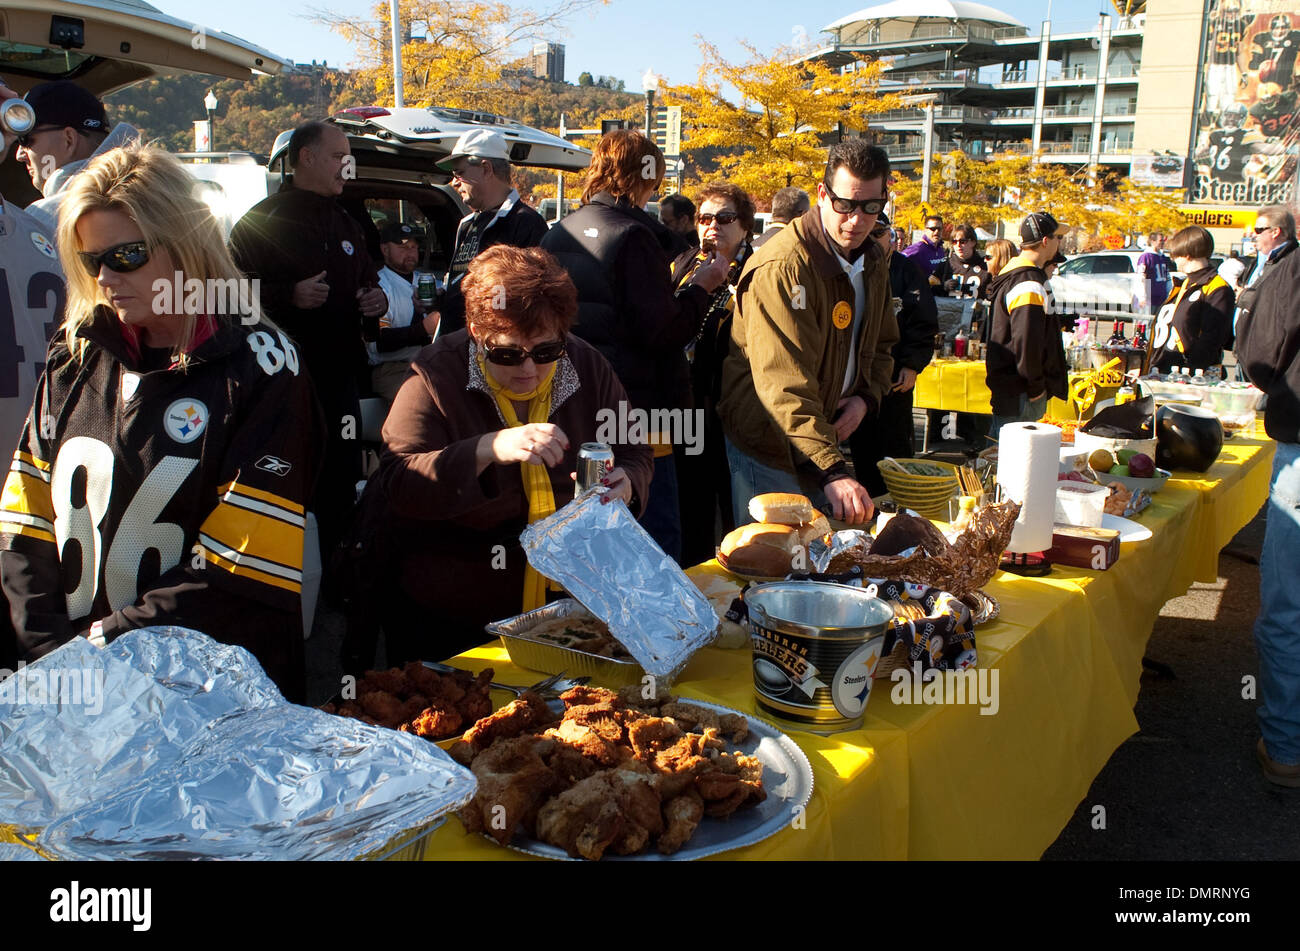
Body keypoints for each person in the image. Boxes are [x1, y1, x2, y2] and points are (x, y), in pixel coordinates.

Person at [0, 145, 324, 701]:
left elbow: (239, 563)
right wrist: (47, 651)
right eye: (89, 260)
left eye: (126, 256)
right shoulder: (74, 355)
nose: (104, 277)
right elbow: (23, 519)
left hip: (207, 695)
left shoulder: (264, 366)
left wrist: (98, 649)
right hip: (73, 690)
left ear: (185, 243)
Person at [363, 246, 653, 663]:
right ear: (478, 336)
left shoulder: (586, 364)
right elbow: (397, 483)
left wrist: (628, 483)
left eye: (545, 351)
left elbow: (635, 450)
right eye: (506, 354)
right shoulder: (436, 372)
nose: (528, 370)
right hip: (454, 608)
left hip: (568, 600)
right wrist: (488, 448)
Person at [541, 129, 727, 562]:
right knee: (653, 537)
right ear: (644, 178)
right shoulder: (634, 237)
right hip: (641, 412)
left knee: (595, 535)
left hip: (578, 404)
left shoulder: (559, 233)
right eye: (654, 178)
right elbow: (663, 331)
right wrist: (702, 287)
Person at [228, 120, 387, 564]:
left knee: (340, 473)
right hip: (279, 381)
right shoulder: (261, 221)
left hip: (340, 379)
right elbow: (225, 294)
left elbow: (367, 283)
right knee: (284, 472)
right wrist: (287, 295)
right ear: (307, 157)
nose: (346, 166)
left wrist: (372, 298)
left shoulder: (348, 221)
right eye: (339, 157)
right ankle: (278, 570)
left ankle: (336, 572)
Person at [718, 140, 899, 526]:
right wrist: (833, 469)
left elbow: (882, 346)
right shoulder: (782, 266)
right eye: (845, 205)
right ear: (822, 194)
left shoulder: (873, 259)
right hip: (766, 442)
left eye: (870, 207)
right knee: (769, 566)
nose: (856, 220)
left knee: (819, 561)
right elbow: (782, 384)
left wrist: (866, 397)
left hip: (820, 437)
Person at [1234, 228, 1300, 785]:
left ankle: (1287, 748)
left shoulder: (1292, 269)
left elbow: (1258, 352)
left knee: (1290, 607)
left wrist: (1272, 384)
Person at [670, 181, 754, 565]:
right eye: (705, 217)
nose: (712, 226)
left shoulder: (755, 270)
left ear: (745, 227)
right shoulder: (684, 263)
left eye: (724, 218)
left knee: (731, 502)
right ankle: (694, 572)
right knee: (691, 498)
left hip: (731, 400)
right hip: (684, 398)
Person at [849, 212, 939, 496]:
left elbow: (924, 324)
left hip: (894, 379)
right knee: (862, 451)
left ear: (891, 236)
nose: (873, 240)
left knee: (896, 451)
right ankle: (868, 512)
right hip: (859, 378)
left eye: (878, 234)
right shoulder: (853, 268)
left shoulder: (907, 271)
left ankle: (901, 510)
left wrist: (912, 365)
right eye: (868, 234)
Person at [436, 130, 548, 336]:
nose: (454, 182)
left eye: (459, 173)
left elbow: (530, 300)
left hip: (493, 354)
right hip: (456, 350)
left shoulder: (526, 223)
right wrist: (440, 298)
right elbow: (461, 285)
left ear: (486, 169)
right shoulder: (467, 224)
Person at [15, 81, 138, 235]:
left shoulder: (45, 217)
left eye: (25, 139)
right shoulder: (156, 194)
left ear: (69, 140)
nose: (19, 155)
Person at [986, 212, 1068, 435]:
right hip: (1021, 390)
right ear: (1045, 241)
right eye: (1057, 238)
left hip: (1014, 388)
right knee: (1013, 461)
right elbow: (1026, 343)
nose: (1060, 243)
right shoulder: (1028, 282)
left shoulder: (1022, 276)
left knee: (1001, 456)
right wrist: (1036, 387)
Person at [370, 221, 441, 405]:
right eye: (403, 247)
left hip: (431, 364)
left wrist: (439, 305)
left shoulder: (428, 280)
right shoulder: (378, 286)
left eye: (414, 247)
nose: (410, 252)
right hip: (392, 369)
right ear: (385, 250)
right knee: (425, 404)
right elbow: (379, 343)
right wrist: (423, 328)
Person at [1148, 226, 1234, 372]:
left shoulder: (1217, 289)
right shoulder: (1185, 283)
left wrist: (1190, 369)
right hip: (1163, 371)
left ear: (1187, 254)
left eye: (1175, 254)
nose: (1172, 258)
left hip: (1186, 377)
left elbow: (1211, 339)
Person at [1234, 206, 1298, 336]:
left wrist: (1244, 296)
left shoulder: (1292, 263)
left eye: (1258, 230)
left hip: (1268, 349)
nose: (1253, 235)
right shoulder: (1261, 261)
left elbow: (1282, 304)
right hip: (1247, 347)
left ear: (1275, 232)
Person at [933, 224, 990, 300]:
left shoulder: (985, 265)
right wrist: (943, 287)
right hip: (950, 310)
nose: (958, 245)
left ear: (973, 242)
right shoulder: (945, 264)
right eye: (954, 242)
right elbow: (930, 290)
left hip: (975, 310)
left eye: (963, 241)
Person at [902, 213, 948, 282]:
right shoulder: (916, 249)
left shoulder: (941, 250)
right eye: (933, 229)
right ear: (925, 230)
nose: (936, 232)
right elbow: (897, 265)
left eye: (939, 229)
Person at [1137, 232, 1173, 315]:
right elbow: (1141, 277)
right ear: (1153, 241)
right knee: (1147, 323)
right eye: (1160, 240)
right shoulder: (1146, 257)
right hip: (1150, 297)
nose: (1163, 242)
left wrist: (1169, 293)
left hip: (1161, 296)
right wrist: (1142, 296)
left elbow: (1167, 277)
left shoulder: (1162, 256)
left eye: (1163, 240)